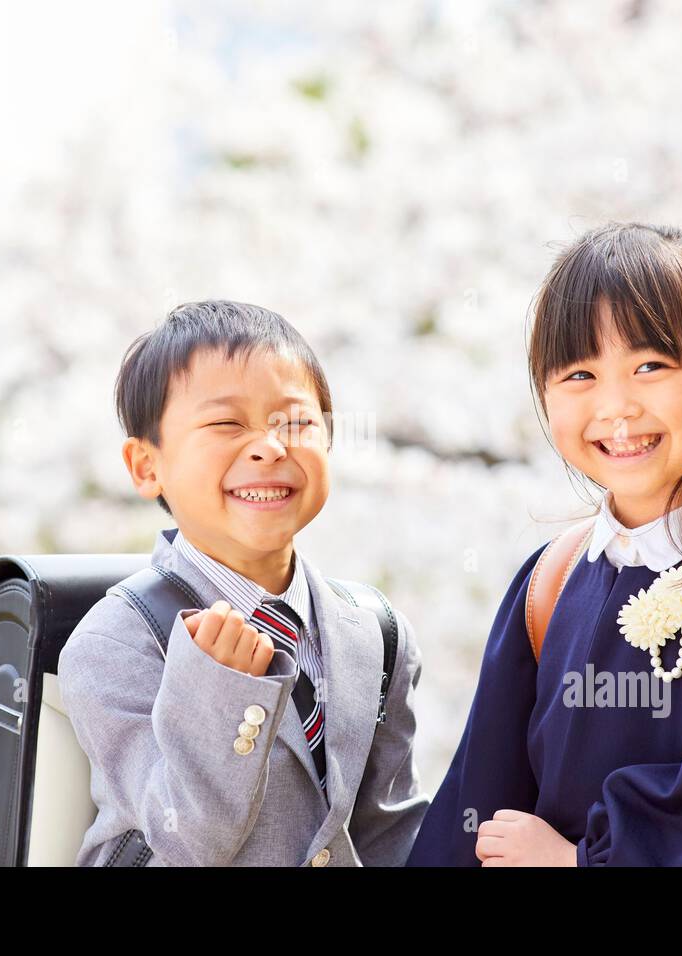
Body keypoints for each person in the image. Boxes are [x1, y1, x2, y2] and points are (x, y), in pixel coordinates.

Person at [406, 222, 682, 866]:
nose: (616, 407)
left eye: (650, 366)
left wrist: (578, 862)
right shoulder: (550, 579)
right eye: (579, 374)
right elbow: (475, 803)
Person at [58, 299, 430, 866]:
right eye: (226, 423)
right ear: (146, 466)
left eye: (296, 421)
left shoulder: (374, 633)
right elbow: (187, 840)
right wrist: (219, 689)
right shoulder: (114, 644)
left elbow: (389, 834)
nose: (269, 446)